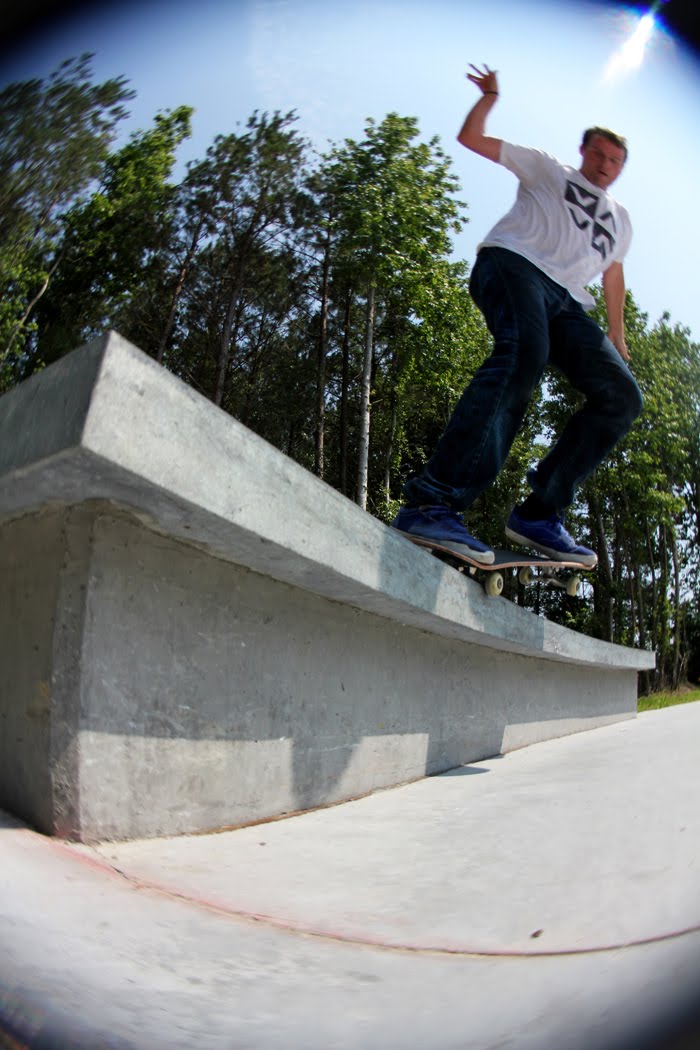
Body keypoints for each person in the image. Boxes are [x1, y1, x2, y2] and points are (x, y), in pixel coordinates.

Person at [392, 64, 643, 568]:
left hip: (569, 302)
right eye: (597, 152)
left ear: (620, 168)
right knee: (525, 354)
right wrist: (488, 97)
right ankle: (432, 501)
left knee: (622, 397)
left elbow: (613, 277)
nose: (604, 164)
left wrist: (616, 332)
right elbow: (471, 137)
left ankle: (539, 513)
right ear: (583, 151)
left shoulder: (621, 220)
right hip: (513, 264)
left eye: (614, 160)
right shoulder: (547, 167)